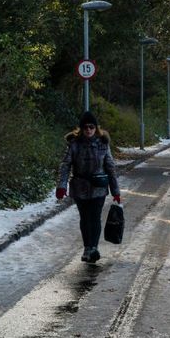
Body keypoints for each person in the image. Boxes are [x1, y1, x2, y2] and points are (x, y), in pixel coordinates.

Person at [56, 111, 121, 263]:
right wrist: (61, 186)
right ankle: (87, 248)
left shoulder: (103, 144)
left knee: (95, 217)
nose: (88, 130)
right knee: (85, 218)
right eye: (85, 127)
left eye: (91, 127)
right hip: (80, 187)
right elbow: (65, 166)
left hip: (98, 187)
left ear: (96, 128)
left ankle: (94, 248)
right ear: (81, 128)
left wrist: (115, 191)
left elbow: (110, 168)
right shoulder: (74, 144)